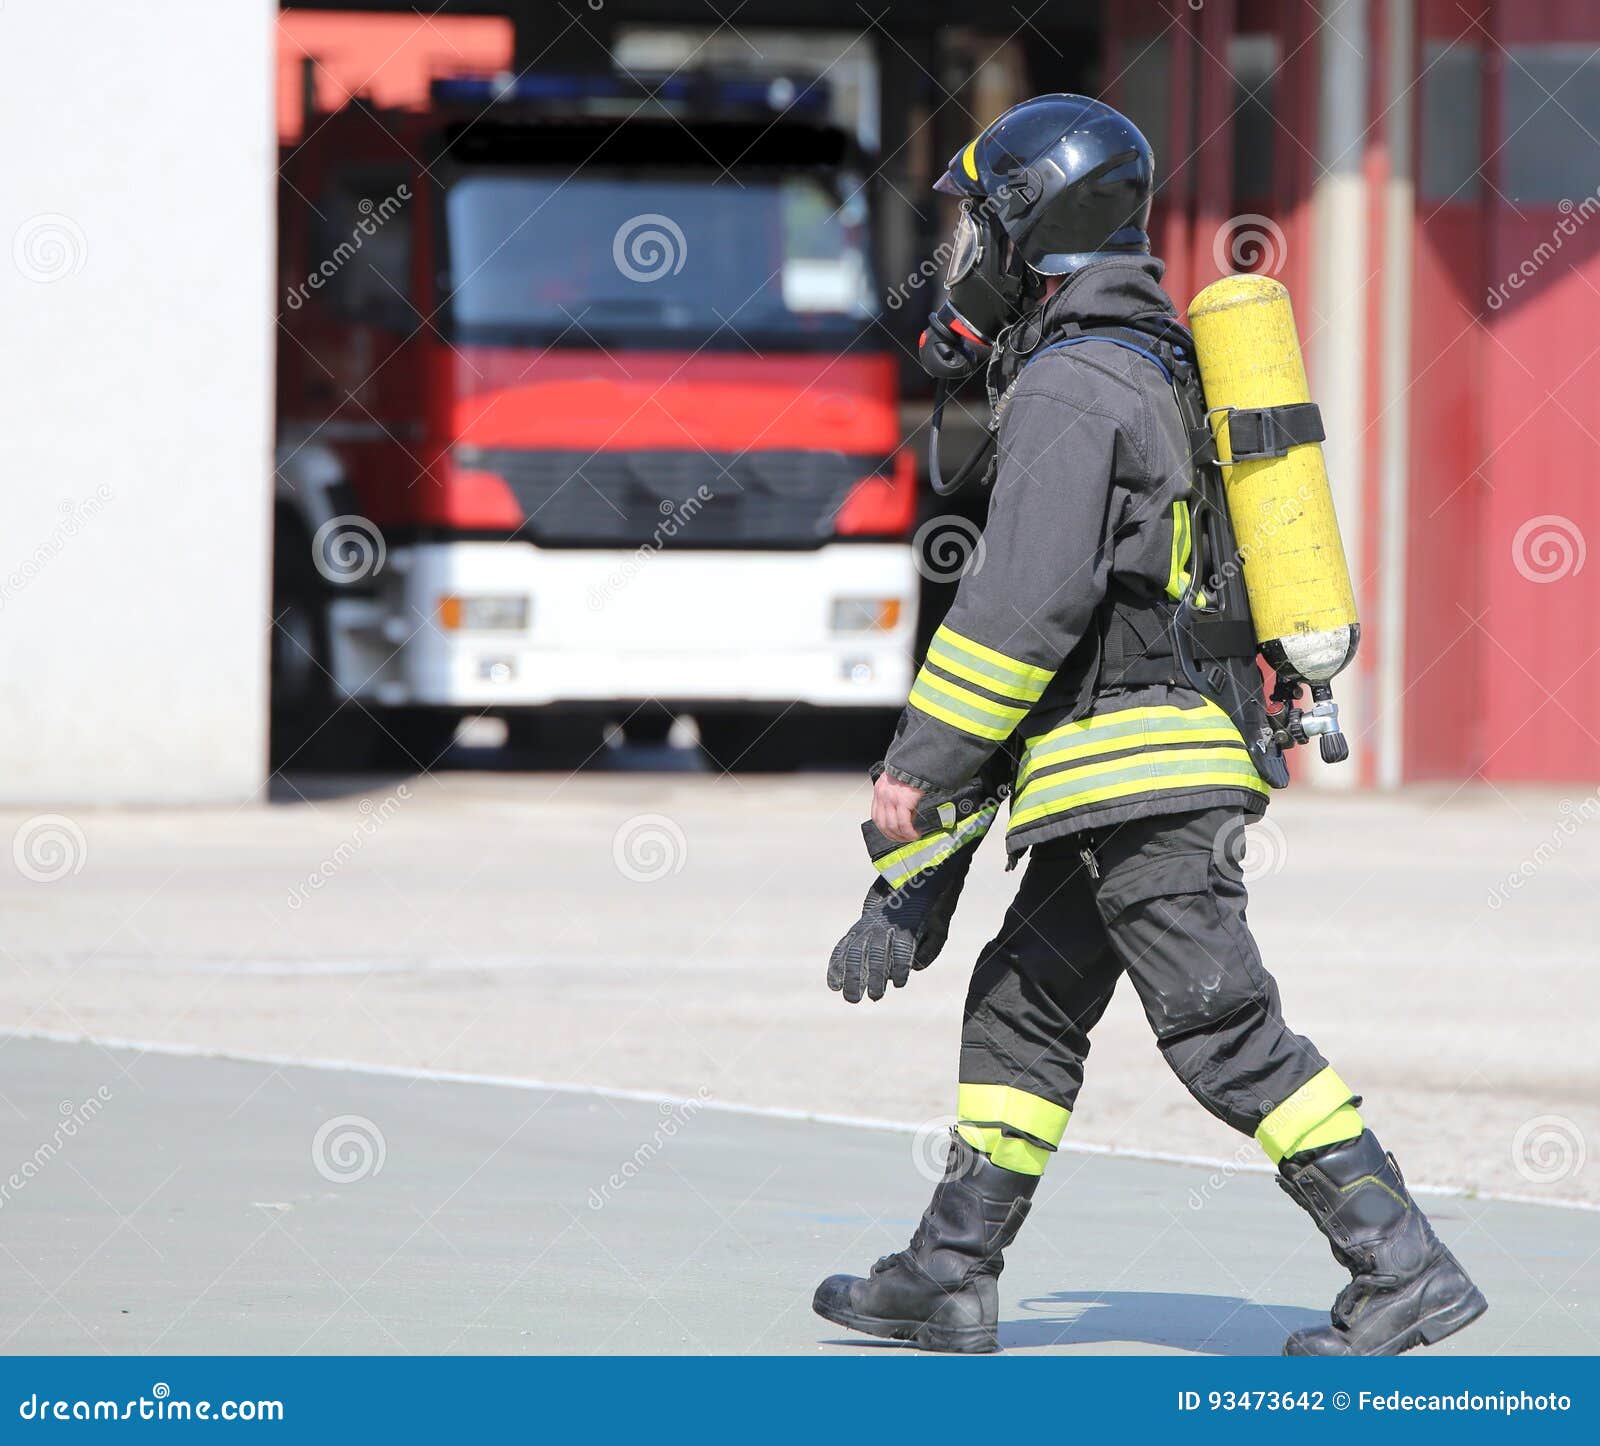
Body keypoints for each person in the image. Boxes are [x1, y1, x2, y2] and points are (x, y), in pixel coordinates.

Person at [812, 94, 1486, 1357]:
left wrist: (916, 769)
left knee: (1221, 1027)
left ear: (1028, 229)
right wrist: (917, 886)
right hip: (1120, 774)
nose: (962, 259)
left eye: (977, 226)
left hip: (1142, 776)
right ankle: (949, 1273)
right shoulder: (1152, 363)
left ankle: (1404, 1265)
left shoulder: (1074, 387)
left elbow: (1020, 614)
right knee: (1021, 1007)